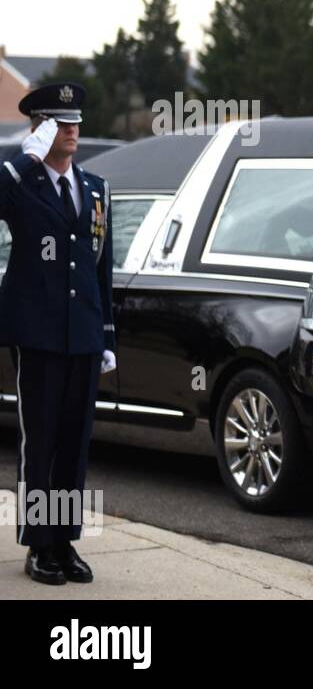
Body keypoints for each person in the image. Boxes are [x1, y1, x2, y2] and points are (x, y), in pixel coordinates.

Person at [1, 82, 115, 585]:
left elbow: (101, 268)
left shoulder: (95, 188)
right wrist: (23, 160)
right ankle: (39, 544)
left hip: (84, 335)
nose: (72, 129)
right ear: (38, 128)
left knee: (74, 444)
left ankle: (65, 541)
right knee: (41, 442)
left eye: (74, 122)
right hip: (40, 335)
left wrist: (107, 335)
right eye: (58, 122)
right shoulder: (21, 182)